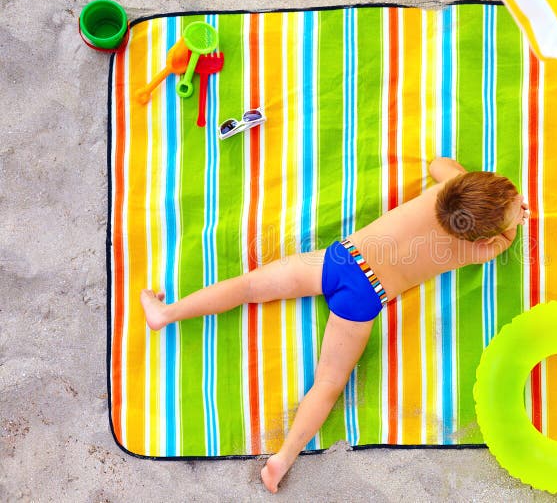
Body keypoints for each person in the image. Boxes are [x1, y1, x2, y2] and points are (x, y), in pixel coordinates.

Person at [140, 156, 529, 493]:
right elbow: (505, 241)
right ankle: (282, 458)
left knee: (249, 287)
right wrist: (511, 223)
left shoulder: (441, 191)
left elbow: (438, 164)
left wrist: (471, 183)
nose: (519, 205)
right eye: (515, 203)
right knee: (327, 384)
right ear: (484, 232)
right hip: (366, 297)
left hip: (341, 261)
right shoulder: (475, 249)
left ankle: (167, 313)